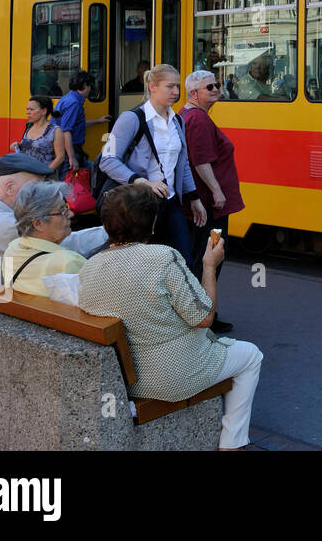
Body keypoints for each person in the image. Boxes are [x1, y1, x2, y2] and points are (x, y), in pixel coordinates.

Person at [79, 183, 263, 450]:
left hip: (126, 380)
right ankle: (231, 442)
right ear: (153, 224)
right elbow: (203, 317)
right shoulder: (164, 257)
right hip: (175, 377)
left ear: (106, 226)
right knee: (251, 356)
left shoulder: (90, 267)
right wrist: (210, 265)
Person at [97, 64, 208, 275]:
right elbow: (108, 160)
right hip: (138, 206)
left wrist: (194, 198)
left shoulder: (178, 121)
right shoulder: (130, 119)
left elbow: (182, 164)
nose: (176, 92)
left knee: (184, 262)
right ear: (152, 87)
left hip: (170, 202)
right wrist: (142, 181)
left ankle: (190, 307)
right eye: (170, 87)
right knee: (137, 265)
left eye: (177, 87)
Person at [0, 153, 106, 284]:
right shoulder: (10, 224)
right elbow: (71, 244)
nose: (41, 190)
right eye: (35, 185)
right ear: (9, 187)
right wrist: (112, 228)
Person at [181, 70, 243, 334]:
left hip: (208, 206)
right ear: (194, 93)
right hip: (213, 209)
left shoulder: (191, 116)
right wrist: (217, 192)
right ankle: (204, 315)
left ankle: (205, 312)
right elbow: (201, 161)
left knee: (203, 255)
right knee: (211, 255)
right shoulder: (198, 120)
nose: (216, 89)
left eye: (216, 85)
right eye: (210, 87)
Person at [2, 180, 86, 296]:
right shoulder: (68, 263)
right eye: (62, 211)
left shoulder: (13, 248)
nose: (71, 214)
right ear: (38, 223)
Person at [57, 70, 108, 173]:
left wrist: (98, 121)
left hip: (72, 150)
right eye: (90, 87)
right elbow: (66, 130)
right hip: (69, 151)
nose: (90, 90)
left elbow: (75, 124)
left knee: (93, 171)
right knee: (68, 182)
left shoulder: (68, 99)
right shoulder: (74, 103)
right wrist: (72, 158)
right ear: (85, 86)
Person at [12, 95, 66, 176]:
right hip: (25, 176)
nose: (28, 112)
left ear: (44, 111)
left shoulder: (55, 130)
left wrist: (43, 173)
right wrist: (18, 145)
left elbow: (60, 157)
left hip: (45, 180)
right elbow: (31, 146)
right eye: (27, 109)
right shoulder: (29, 126)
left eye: (31, 109)